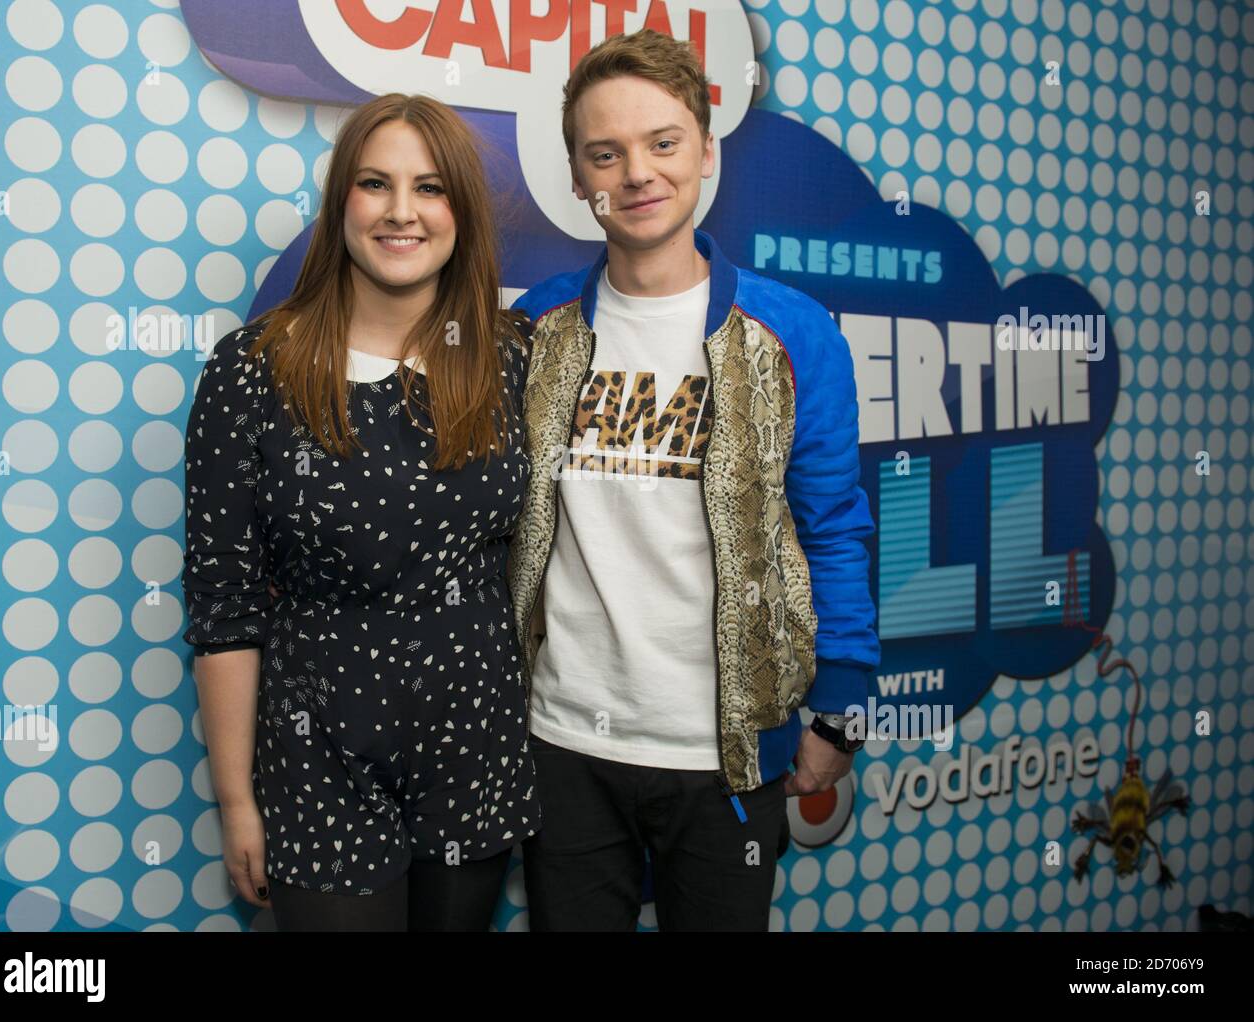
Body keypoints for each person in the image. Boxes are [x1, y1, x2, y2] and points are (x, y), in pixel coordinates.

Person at [508, 29, 880, 931]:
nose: (637, 172)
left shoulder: (794, 334)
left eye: (663, 143)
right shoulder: (533, 329)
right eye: (607, 152)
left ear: (707, 149)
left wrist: (842, 711)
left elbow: (832, 525)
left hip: (732, 755)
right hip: (563, 742)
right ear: (577, 175)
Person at [181, 93, 540, 932]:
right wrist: (237, 799)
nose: (402, 212)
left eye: (431, 187)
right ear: (342, 198)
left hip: (475, 746)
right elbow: (225, 606)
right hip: (318, 758)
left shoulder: (516, 359)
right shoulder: (251, 370)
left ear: (462, 211)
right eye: (376, 184)